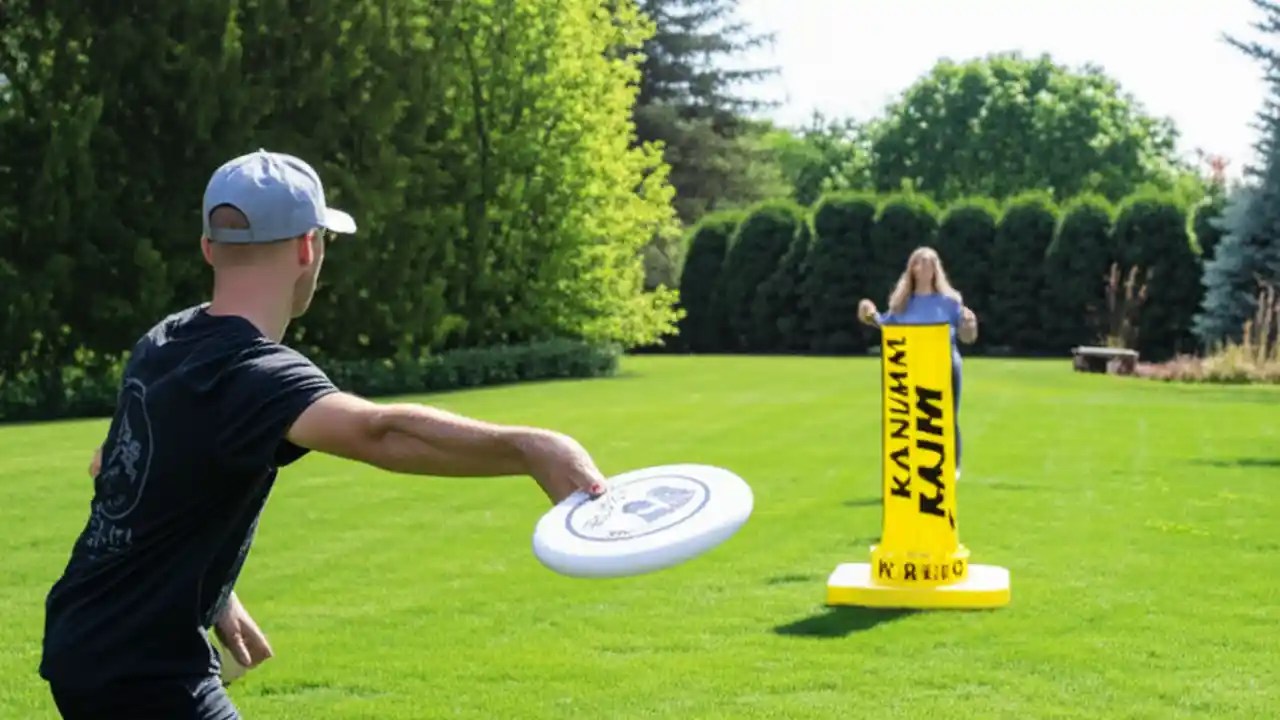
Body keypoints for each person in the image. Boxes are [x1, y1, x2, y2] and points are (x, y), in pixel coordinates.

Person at [38, 149, 609, 720]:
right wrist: (532, 447)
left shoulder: (167, 341)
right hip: (141, 666)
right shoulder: (257, 374)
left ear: (210, 246)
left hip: (84, 636)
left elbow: (113, 467)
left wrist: (214, 595)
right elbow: (379, 434)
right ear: (308, 247)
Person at [857, 246, 978, 475]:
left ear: (936, 269)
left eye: (930, 263)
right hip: (913, 365)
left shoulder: (951, 301)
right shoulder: (901, 303)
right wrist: (870, 314)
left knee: (947, 415)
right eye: (919, 262)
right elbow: (887, 328)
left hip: (945, 365)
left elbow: (967, 338)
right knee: (915, 418)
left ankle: (953, 467)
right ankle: (920, 466)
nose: (924, 267)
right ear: (911, 268)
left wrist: (970, 325)